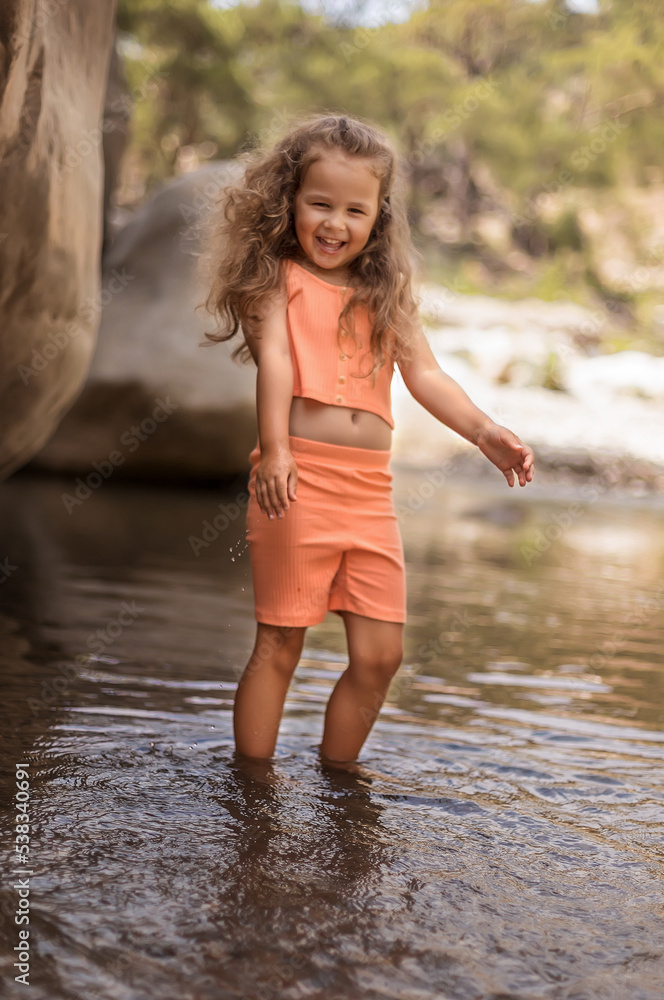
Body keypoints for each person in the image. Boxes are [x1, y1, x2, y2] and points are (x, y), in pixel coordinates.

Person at [200, 113, 534, 767]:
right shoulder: (276, 280)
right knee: (281, 643)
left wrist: (482, 430)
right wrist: (275, 449)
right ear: (289, 200)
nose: (334, 224)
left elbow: (426, 374)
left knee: (382, 656)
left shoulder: (386, 294)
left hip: (369, 492)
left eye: (354, 210)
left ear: (378, 216)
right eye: (318, 203)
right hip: (298, 478)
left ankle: (338, 780)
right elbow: (278, 362)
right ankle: (252, 791)